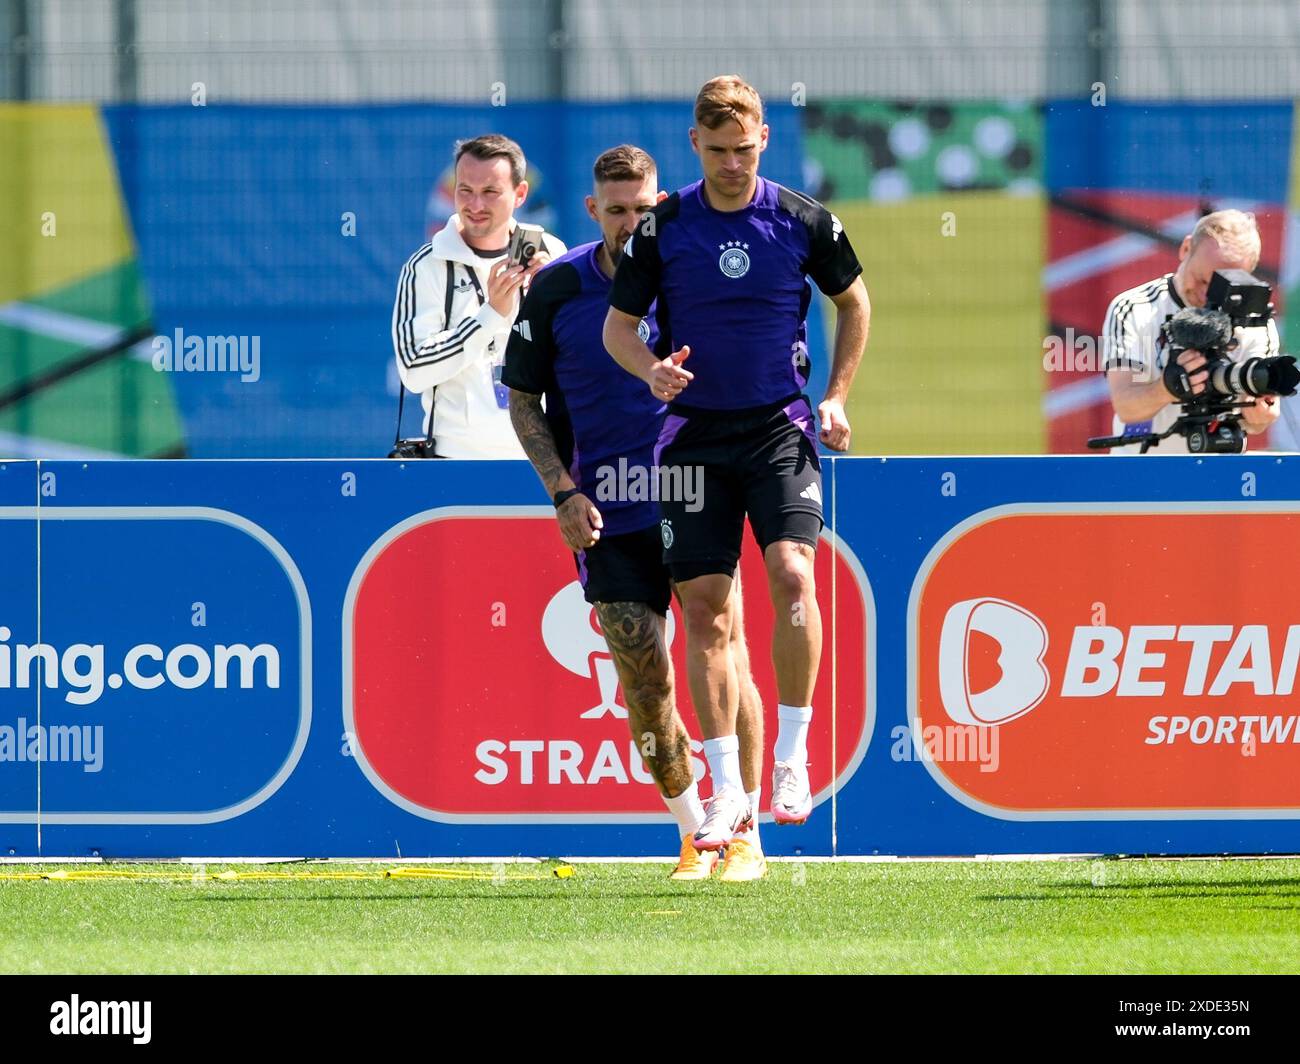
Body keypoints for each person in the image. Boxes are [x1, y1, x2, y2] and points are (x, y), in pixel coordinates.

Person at [602, 76, 871, 852]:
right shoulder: (665, 228)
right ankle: (728, 793)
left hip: (779, 429)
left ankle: (791, 756)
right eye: (717, 151)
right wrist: (650, 369)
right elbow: (621, 329)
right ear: (695, 145)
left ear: (764, 141)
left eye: (743, 150)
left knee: (792, 573)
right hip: (689, 439)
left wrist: (838, 393)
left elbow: (855, 302)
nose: (731, 163)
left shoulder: (802, 220)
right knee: (708, 611)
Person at [504, 144, 769, 882]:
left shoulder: (696, 275)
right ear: (593, 211)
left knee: (726, 654)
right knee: (645, 684)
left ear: (663, 206)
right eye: (615, 210)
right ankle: (693, 835)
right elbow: (524, 398)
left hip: (694, 495)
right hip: (606, 514)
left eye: (643, 209)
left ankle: (743, 831)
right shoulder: (556, 289)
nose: (629, 223)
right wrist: (562, 490)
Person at [392, 135, 566, 458]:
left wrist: (548, 302)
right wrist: (491, 315)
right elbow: (414, 370)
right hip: (454, 465)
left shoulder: (552, 255)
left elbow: (577, 358)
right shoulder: (425, 267)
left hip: (542, 464)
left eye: (490, 192)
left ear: (520, 194)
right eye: (465, 191)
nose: (475, 206)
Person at [1103, 209, 1282, 453]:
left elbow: (1259, 419)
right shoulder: (1135, 308)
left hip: (1218, 476)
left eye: (1222, 285)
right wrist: (1168, 386)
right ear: (1186, 248)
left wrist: (1260, 413)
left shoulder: (1255, 321)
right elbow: (1126, 406)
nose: (1205, 294)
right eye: (1201, 279)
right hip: (1141, 476)